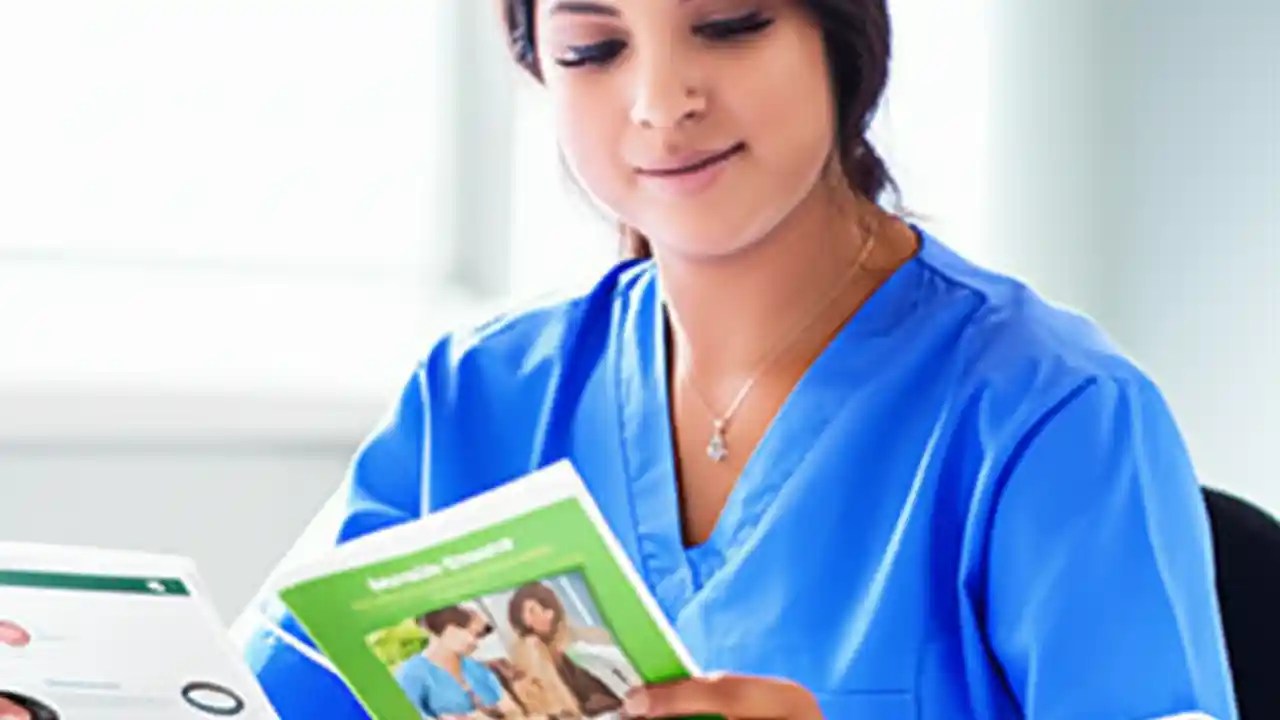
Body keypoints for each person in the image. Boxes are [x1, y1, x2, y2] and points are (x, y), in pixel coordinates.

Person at [238, 0, 1239, 717]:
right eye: (593, 47)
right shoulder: (473, 401)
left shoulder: (1048, 414)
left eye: (727, 27)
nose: (659, 101)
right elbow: (246, 697)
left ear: (840, 40)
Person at [506, 583, 622, 718]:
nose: (530, 621)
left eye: (534, 610)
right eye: (527, 615)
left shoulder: (579, 644)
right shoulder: (529, 650)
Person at [394, 606, 524, 719]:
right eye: (470, 633)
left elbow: (512, 710)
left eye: (478, 636)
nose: (474, 642)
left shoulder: (475, 669)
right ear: (447, 629)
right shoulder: (412, 674)